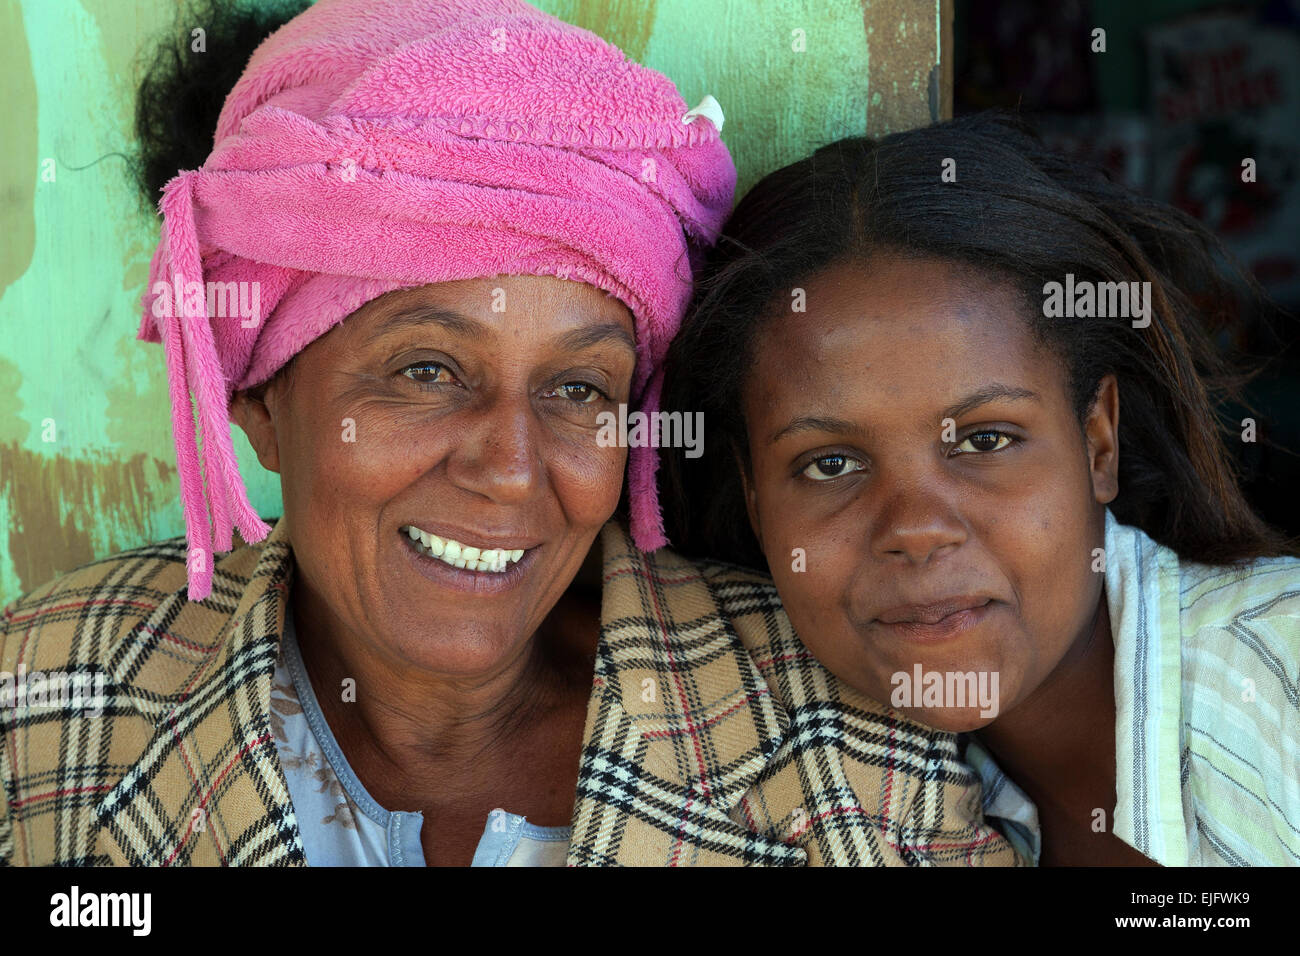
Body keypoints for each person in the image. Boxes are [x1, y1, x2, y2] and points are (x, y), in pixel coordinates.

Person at [0, 0, 1017, 867]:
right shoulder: (46, 703)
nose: (509, 466)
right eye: (427, 371)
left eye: (576, 387)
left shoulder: (852, 762)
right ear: (261, 397)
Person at [662, 110, 1300, 866]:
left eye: (985, 440)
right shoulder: (821, 781)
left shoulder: (1278, 670)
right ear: (757, 499)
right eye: (830, 463)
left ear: (1098, 442)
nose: (917, 528)